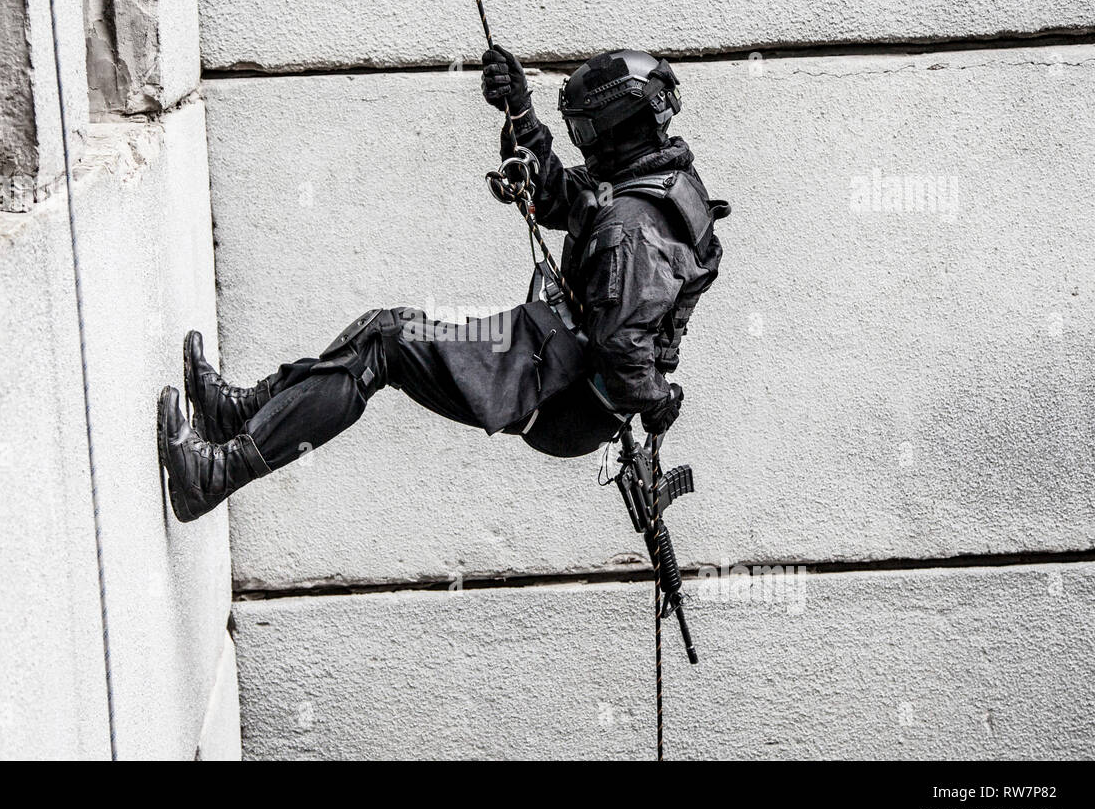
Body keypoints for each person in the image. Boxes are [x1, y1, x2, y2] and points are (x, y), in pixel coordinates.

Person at [157, 47, 727, 522]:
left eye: (583, 128)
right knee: (383, 335)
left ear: (615, 126)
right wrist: (519, 113)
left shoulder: (637, 228)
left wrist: (658, 398)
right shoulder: (642, 178)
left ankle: (216, 475)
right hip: (552, 352)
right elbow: (558, 197)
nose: (581, 140)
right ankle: (238, 415)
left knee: (385, 344)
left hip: (561, 393)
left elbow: (624, 353)